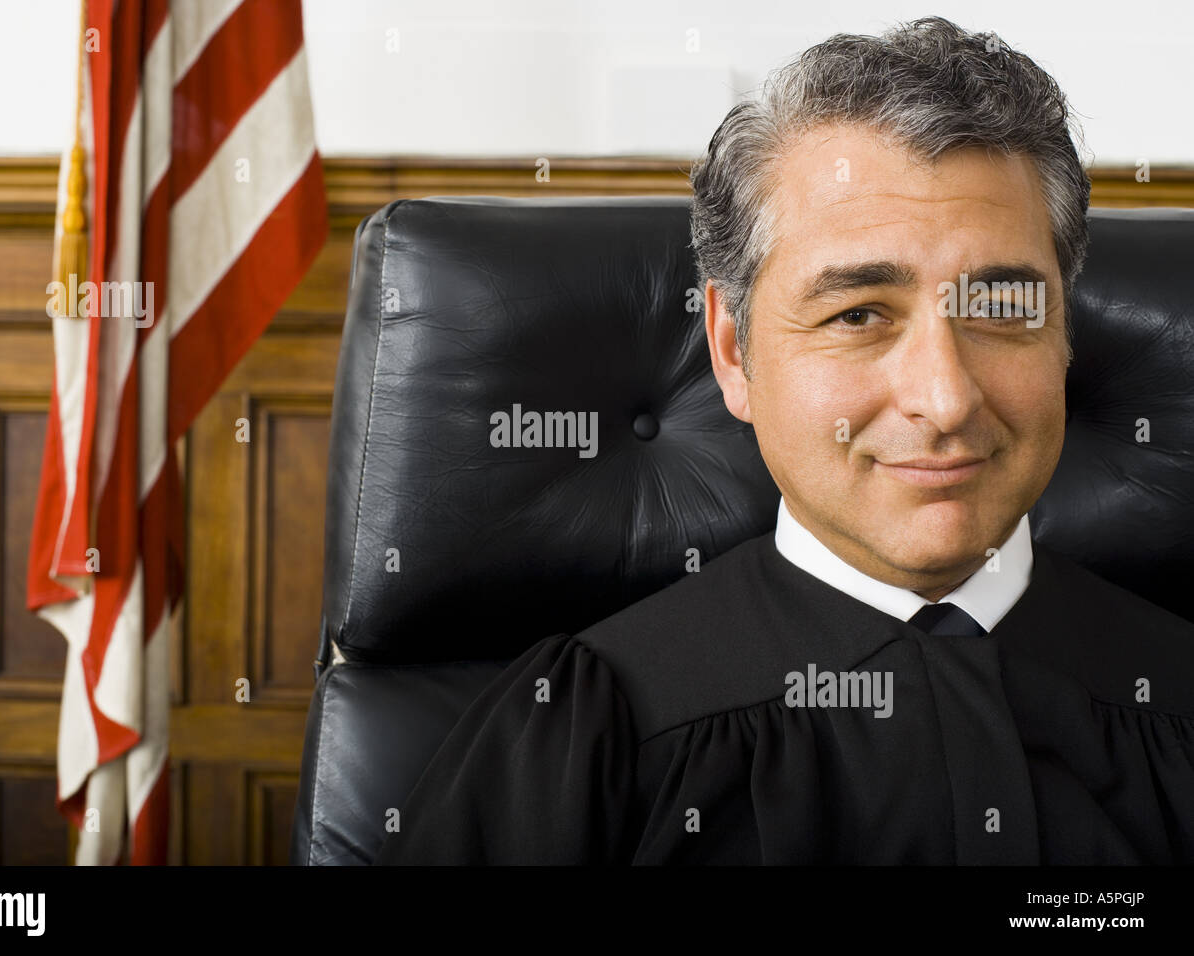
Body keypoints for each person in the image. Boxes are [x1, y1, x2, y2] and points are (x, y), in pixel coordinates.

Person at [373, 17, 1194, 865]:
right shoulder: (582, 735)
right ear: (735, 351)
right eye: (858, 314)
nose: (945, 400)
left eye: (999, 309)